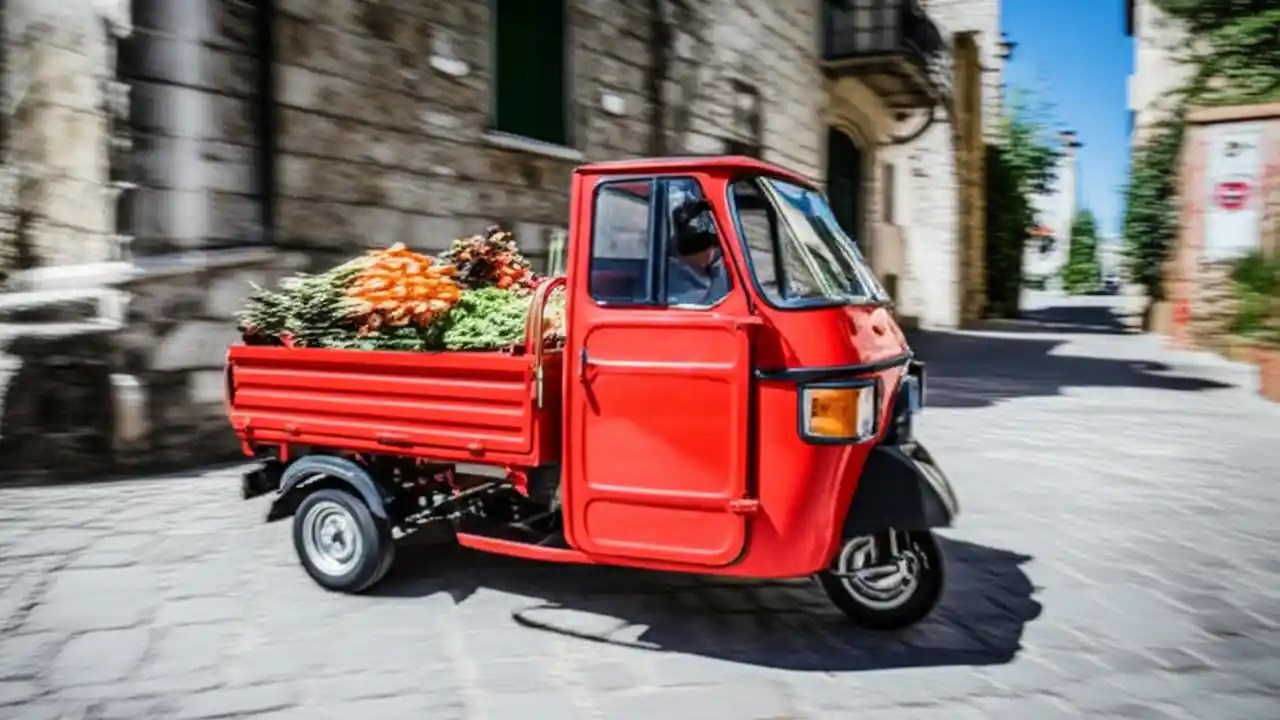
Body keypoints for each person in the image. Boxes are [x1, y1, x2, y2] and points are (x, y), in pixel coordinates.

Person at [667, 198, 729, 306]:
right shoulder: (694, 290)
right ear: (707, 250)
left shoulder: (664, 266)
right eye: (715, 247)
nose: (716, 252)